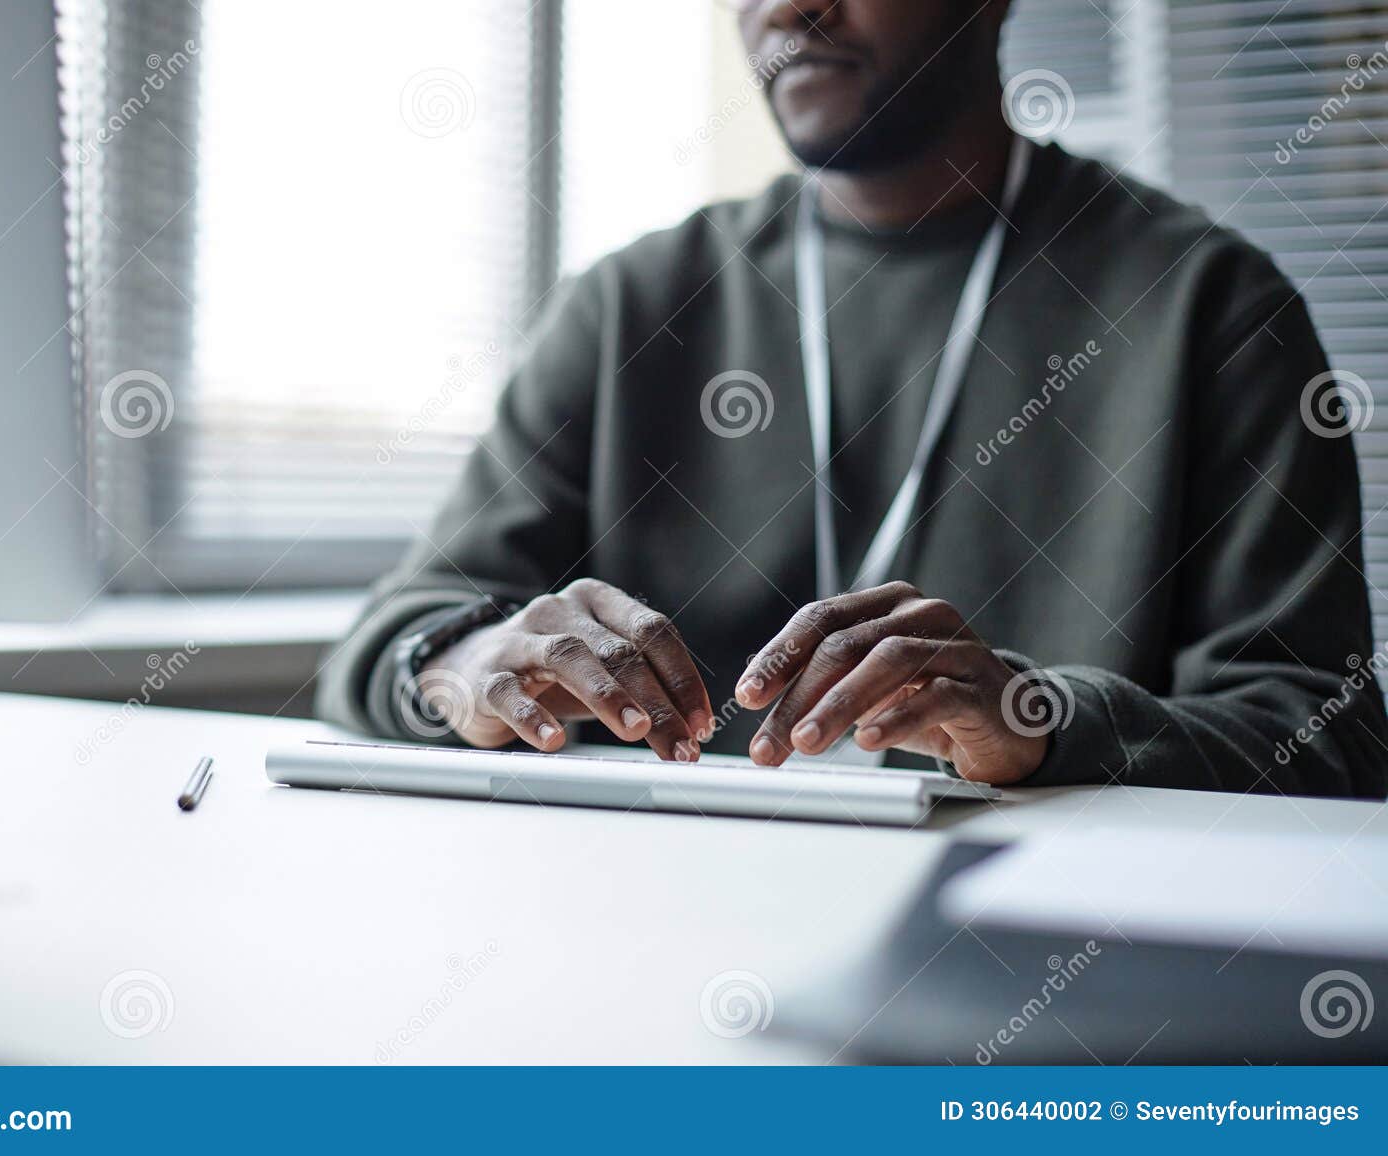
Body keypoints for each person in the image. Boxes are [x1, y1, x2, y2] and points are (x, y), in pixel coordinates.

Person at [320, 0, 1388, 798]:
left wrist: (1042, 722)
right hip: (657, 954)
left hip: (1048, 990)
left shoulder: (1208, 307)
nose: (786, 8)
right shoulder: (631, 304)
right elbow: (392, 641)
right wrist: (466, 662)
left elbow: (1326, 738)